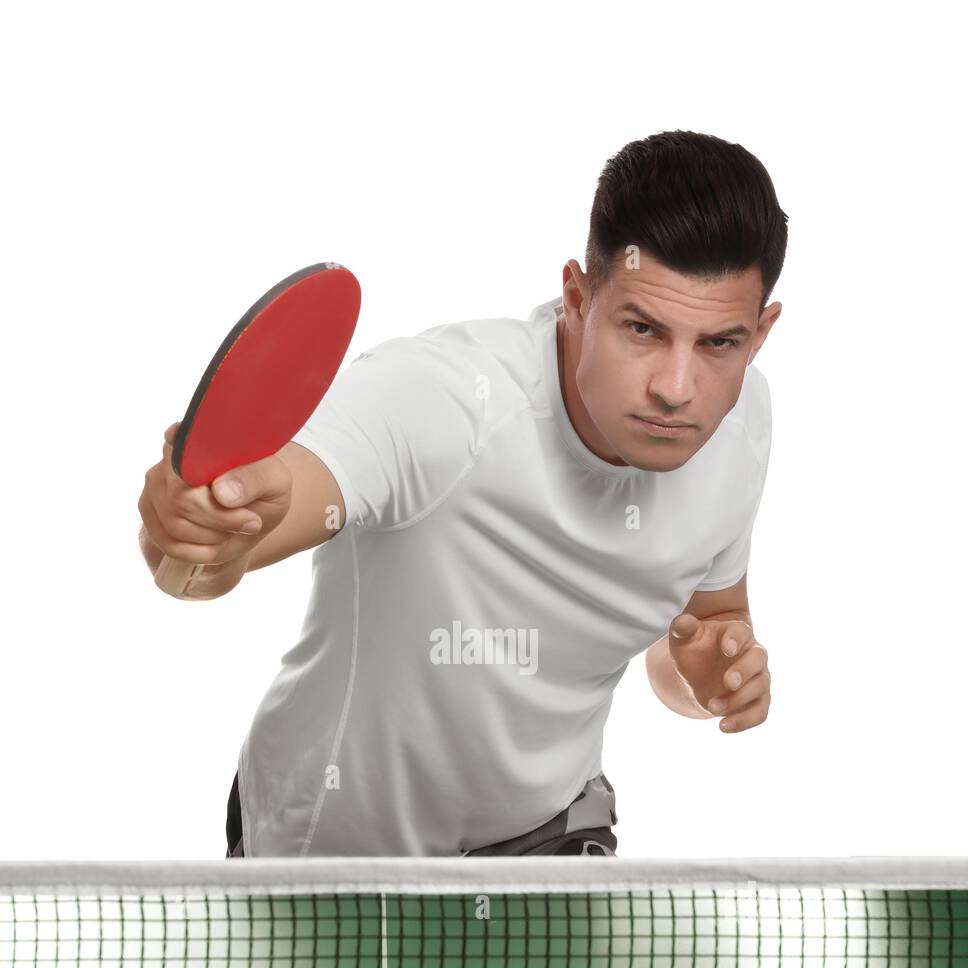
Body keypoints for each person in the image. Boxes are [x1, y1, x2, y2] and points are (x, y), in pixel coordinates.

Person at [138, 129, 785, 858]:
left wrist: (706, 683)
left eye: (719, 344)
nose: (675, 389)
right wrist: (198, 535)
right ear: (577, 296)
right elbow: (255, 519)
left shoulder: (742, 428)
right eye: (642, 328)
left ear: (760, 334)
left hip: (547, 835)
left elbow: (706, 625)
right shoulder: (446, 402)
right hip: (329, 843)